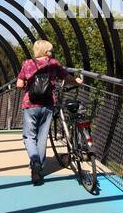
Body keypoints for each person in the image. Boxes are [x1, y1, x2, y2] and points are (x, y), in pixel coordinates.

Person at [16, 40, 82, 185]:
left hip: (30, 104)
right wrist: (77, 82)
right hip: (48, 104)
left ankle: (34, 162)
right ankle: (39, 168)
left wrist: (29, 84)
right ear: (46, 52)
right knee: (42, 137)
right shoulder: (54, 64)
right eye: (50, 50)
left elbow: (19, 84)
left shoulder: (27, 63)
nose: (52, 53)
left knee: (29, 136)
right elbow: (67, 77)